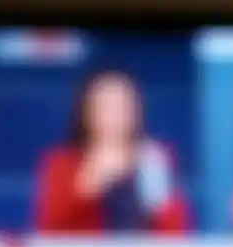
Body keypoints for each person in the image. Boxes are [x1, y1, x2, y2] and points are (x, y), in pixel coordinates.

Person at [35, 70, 189, 234]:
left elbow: (176, 231)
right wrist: (87, 187)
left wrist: (154, 188)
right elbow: (48, 228)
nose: (116, 114)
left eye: (123, 105)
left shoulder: (154, 159)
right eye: (106, 106)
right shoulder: (62, 163)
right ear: (86, 112)